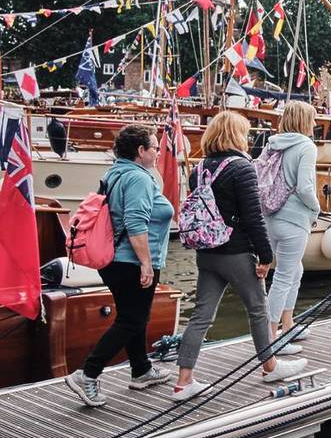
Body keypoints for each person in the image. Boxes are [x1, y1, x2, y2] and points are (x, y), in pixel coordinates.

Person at [172, 111, 306, 401]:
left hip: (207, 252)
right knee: (257, 309)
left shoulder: (200, 168)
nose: (247, 137)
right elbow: (253, 217)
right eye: (244, 132)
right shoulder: (242, 167)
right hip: (236, 251)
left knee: (200, 316)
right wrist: (266, 255)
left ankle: (183, 381)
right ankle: (270, 366)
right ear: (235, 134)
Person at [66, 125, 173, 407]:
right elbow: (135, 223)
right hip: (131, 260)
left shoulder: (115, 172)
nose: (157, 152)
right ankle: (87, 374)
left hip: (114, 260)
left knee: (134, 315)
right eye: (154, 148)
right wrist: (146, 264)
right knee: (132, 320)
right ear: (141, 151)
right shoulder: (138, 178)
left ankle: (141, 369)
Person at [263, 101, 320, 352]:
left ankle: (288, 326)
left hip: (271, 217)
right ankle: (270, 338)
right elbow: (305, 187)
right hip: (294, 219)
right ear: (303, 121)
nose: (316, 124)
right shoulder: (306, 147)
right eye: (313, 119)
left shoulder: (273, 144)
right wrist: (316, 208)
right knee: (284, 278)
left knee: (294, 271)